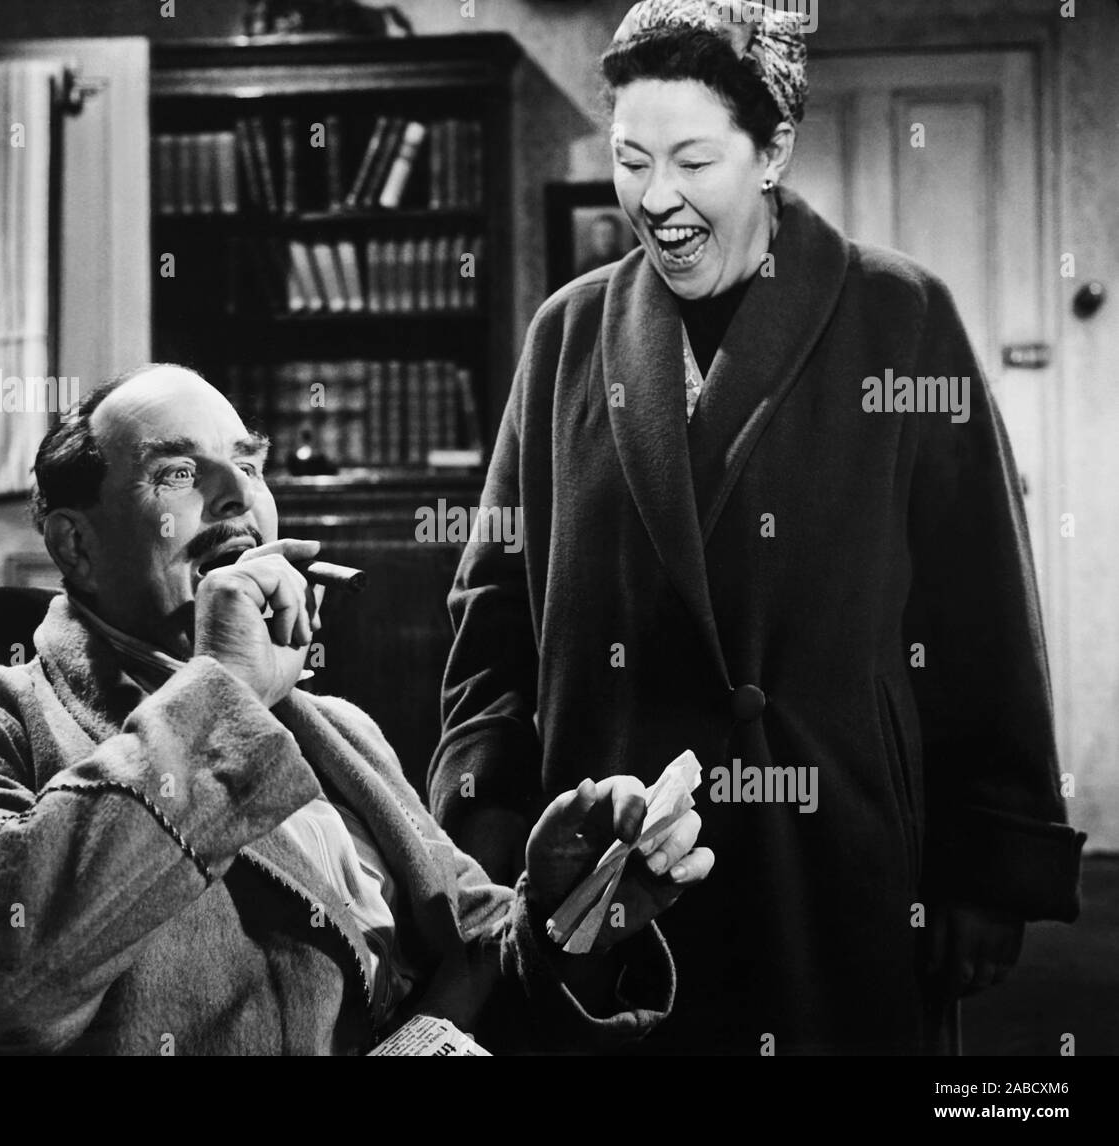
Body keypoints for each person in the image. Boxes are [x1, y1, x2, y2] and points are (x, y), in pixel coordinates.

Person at [428, 0, 1084, 1055]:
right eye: (631, 158)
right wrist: (489, 826)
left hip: (827, 854)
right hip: (609, 860)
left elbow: (979, 616)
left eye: (693, 160)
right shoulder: (565, 335)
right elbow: (492, 612)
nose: (656, 199)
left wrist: (983, 870)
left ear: (772, 149)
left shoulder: (900, 317)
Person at [0, 364, 716, 1056]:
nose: (238, 496)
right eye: (178, 471)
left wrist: (570, 917)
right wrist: (219, 690)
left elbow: (487, 988)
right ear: (75, 541)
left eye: (249, 464)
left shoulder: (339, 732)